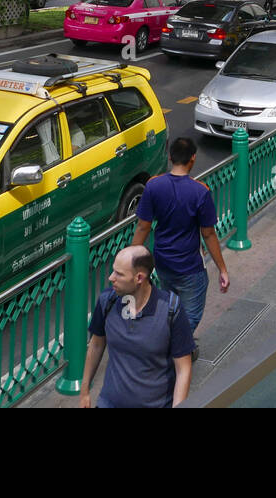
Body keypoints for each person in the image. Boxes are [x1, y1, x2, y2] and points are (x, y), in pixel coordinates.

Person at [132, 137, 229, 360]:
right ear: (193, 159)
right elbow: (208, 234)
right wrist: (222, 269)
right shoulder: (200, 192)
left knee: (170, 305)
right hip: (190, 266)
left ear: (169, 156)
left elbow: (143, 227)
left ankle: (174, 343)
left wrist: (130, 259)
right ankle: (174, 349)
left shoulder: (154, 186)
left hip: (163, 262)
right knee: (191, 315)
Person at [80, 245, 193, 408]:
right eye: (113, 271)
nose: (111, 277)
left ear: (139, 278)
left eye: (119, 274)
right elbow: (96, 345)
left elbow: (183, 369)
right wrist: (84, 392)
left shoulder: (170, 309)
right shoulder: (107, 301)